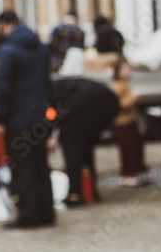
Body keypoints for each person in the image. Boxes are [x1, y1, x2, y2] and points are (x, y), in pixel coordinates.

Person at [0, 10, 55, 229]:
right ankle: (47, 212)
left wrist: (0, 118)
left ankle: (28, 214)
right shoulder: (40, 47)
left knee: (22, 166)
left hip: (18, 119)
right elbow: (47, 82)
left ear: (2, 24)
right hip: (39, 116)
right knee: (40, 165)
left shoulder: (7, 50)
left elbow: (4, 88)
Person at [48, 77, 120, 205]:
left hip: (91, 103)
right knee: (84, 145)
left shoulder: (42, 94)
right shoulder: (56, 86)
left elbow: (52, 117)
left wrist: (52, 137)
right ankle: (90, 192)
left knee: (70, 144)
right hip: (108, 101)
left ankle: (75, 194)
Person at [110, 57, 147, 186]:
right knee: (127, 149)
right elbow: (120, 104)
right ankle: (128, 174)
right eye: (126, 69)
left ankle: (137, 170)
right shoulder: (116, 86)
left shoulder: (125, 84)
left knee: (136, 146)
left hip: (131, 120)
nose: (129, 72)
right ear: (118, 71)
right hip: (122, 122)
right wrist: (133, 97)